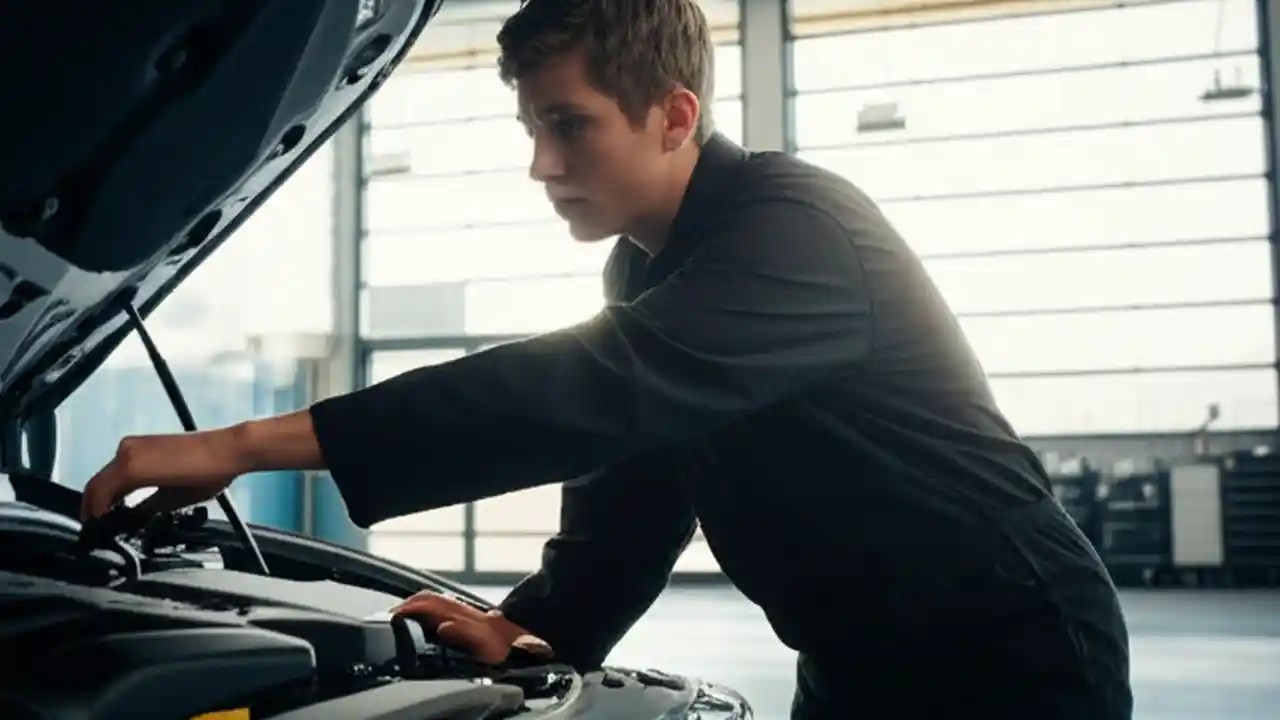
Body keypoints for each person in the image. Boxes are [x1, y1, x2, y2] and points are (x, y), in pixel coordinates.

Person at [81, 0, 1133, 716]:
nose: (541, 163)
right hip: (853, 660)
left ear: (673, 115)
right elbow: (631, 498)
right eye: (532, 127)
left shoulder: (796, 228)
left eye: (568, 126)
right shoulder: (641, 272)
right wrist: (536, 625)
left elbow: (591, 391)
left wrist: (236, 446)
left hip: (1006, 654)